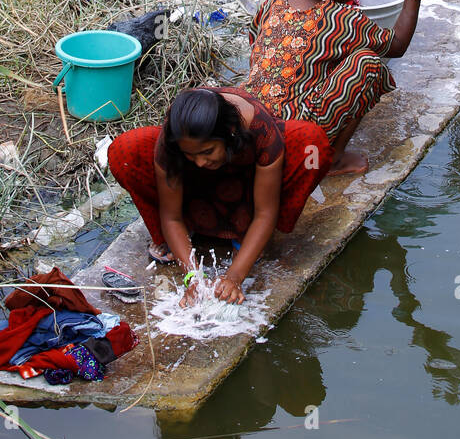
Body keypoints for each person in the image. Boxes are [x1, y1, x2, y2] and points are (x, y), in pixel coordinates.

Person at [106, 86, 333, 304]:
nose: (200, 162)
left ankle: (248, 238)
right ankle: (181, 239)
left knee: (312, 145)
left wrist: (234, 276)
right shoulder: (174, 138)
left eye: (207, 151)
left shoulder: (259, 128)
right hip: (194, 192)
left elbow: (265, 212)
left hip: (248, 191)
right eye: (190, 155)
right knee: (125, 150)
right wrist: (193, 278)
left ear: (230, 133)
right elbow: (171, 216)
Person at [246, 0, 438, 176]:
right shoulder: (344, 20)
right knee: (368, 63)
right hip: (291, 137)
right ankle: (330, 161)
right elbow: (397, 45)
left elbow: (255, 42)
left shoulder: (272, 4)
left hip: (249, 125)